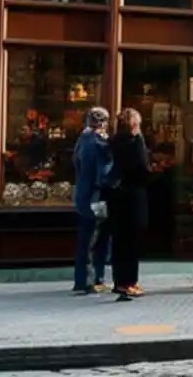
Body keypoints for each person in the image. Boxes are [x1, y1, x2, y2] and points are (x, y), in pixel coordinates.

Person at [108, 108, 150, 300]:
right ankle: (130, 283)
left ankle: (119, 282)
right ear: (134, 125)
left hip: (116, 196)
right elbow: (142, 168)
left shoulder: (113, 142)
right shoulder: (136, 142)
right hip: (133, 196)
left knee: (119, 240)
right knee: (132, 241)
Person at [72, 106, 115, 294]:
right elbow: (104, 173)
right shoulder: (100, 144)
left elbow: (77, 164)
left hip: (83, 195)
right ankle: (95, 279)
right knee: (99, 238)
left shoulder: (82, 140)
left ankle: (82, 279)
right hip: (98, 197)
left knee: (86, 238)